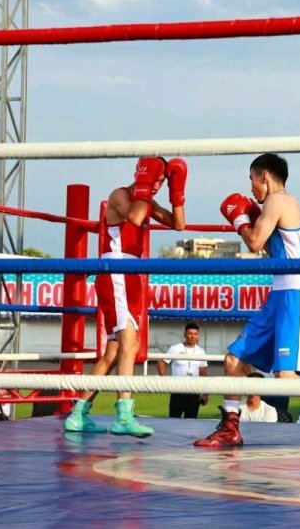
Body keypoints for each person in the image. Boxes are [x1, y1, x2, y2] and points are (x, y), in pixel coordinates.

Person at [194, 153, 300, 448]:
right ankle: (231, 426)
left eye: (252, 180)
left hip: (293, 295)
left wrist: (240, 219)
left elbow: (254, 243)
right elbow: (273, 251)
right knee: (234, 360)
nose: (252, 188)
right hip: (278, 294)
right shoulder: (276, 208)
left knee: (286, 376)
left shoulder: (279, 201)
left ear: (265, 176)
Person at [64, 156, 187, 436]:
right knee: (129, 344)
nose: (156, 185)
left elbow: (178, 224)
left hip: (128, 275)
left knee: (114, 352)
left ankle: (78, 413)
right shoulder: (119, 195)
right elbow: (136, 217)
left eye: (161, 181)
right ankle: (124, 415)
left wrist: (176, 192)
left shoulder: (148, 200)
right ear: (142, 174)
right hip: (116, 271)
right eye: (155, 179)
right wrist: (145, 187)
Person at [157, 322, 208, 419]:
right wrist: (165, 381)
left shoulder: (201, 351)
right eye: (190, 333)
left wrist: (205, 394)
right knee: (174, 419)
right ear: (185, 334)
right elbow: (161, 363)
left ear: (198, 336)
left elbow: (203, 373)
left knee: (191, 421)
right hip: (178, 390)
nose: (192, 336)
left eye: (195, 334)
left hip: (194, 391)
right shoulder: (175, 348)